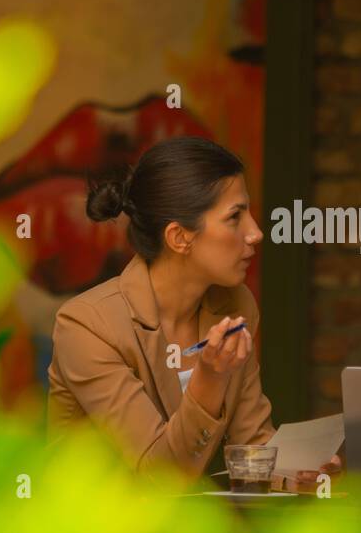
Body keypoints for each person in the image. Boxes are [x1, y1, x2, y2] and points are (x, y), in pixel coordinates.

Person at [47, 135, 274, 482]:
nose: (256, 233)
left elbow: (253, 443)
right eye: (234, 218)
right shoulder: (87, 325)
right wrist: (210, 377)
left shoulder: (234, 305)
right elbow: (159, 478)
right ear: (179, 237)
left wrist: (299, 472)